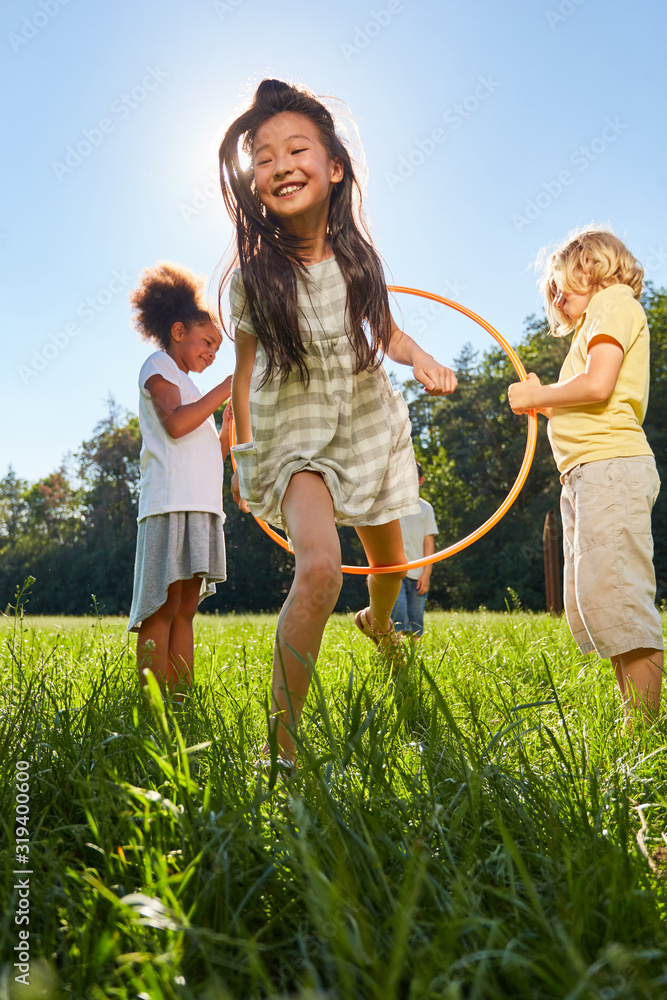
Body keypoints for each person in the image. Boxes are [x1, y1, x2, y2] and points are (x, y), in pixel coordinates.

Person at [218, 79, 457, 764]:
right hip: (293, 433)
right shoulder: (252, 276)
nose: (279, 164)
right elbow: (240, 378)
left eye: (296, 149)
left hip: (362, 422)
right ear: (251, 182)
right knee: (321, 567)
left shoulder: (357, 260)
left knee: (391, 562)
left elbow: (387, 334)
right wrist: (241, 455)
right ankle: (280, 747)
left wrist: (424, 360)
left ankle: (377, 622)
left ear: (334, 167)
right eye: (262, 157)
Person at [508, 227, 663, 725]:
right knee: (602, 601)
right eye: (551, 290)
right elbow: (584, 401)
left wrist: (540, 396)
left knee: (619, 595)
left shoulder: (613, 304)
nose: (555, 296)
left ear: (594, 267)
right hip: (585, 474)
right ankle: (634, 724)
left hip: (609, 468)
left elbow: (598, 386)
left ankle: (644, 736)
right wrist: (545, 399)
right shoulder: (591, 325)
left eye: (562, 282)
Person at [128, 261, 232, 698]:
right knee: (162, 605)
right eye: (208, 342)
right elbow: (173, 424)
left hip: (202, 505)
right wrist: (224, 389)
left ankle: (180, 699)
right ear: (177, 331)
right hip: (170, 503)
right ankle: (153, 705)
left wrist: (226, 426)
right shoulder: (160, 367)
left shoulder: (193, 390)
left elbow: (211, 452)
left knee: (186, 608)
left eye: (218, 349)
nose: (212, 353)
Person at [392, 462, 438, 640]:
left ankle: (414, 655)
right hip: (395, 571)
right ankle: (398, 655)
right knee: (398, 617)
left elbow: (429, 543)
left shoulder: (426, 509)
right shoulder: (392, 507)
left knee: (416, 620)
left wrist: (426, 574)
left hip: (418, 574)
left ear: (421, 481)